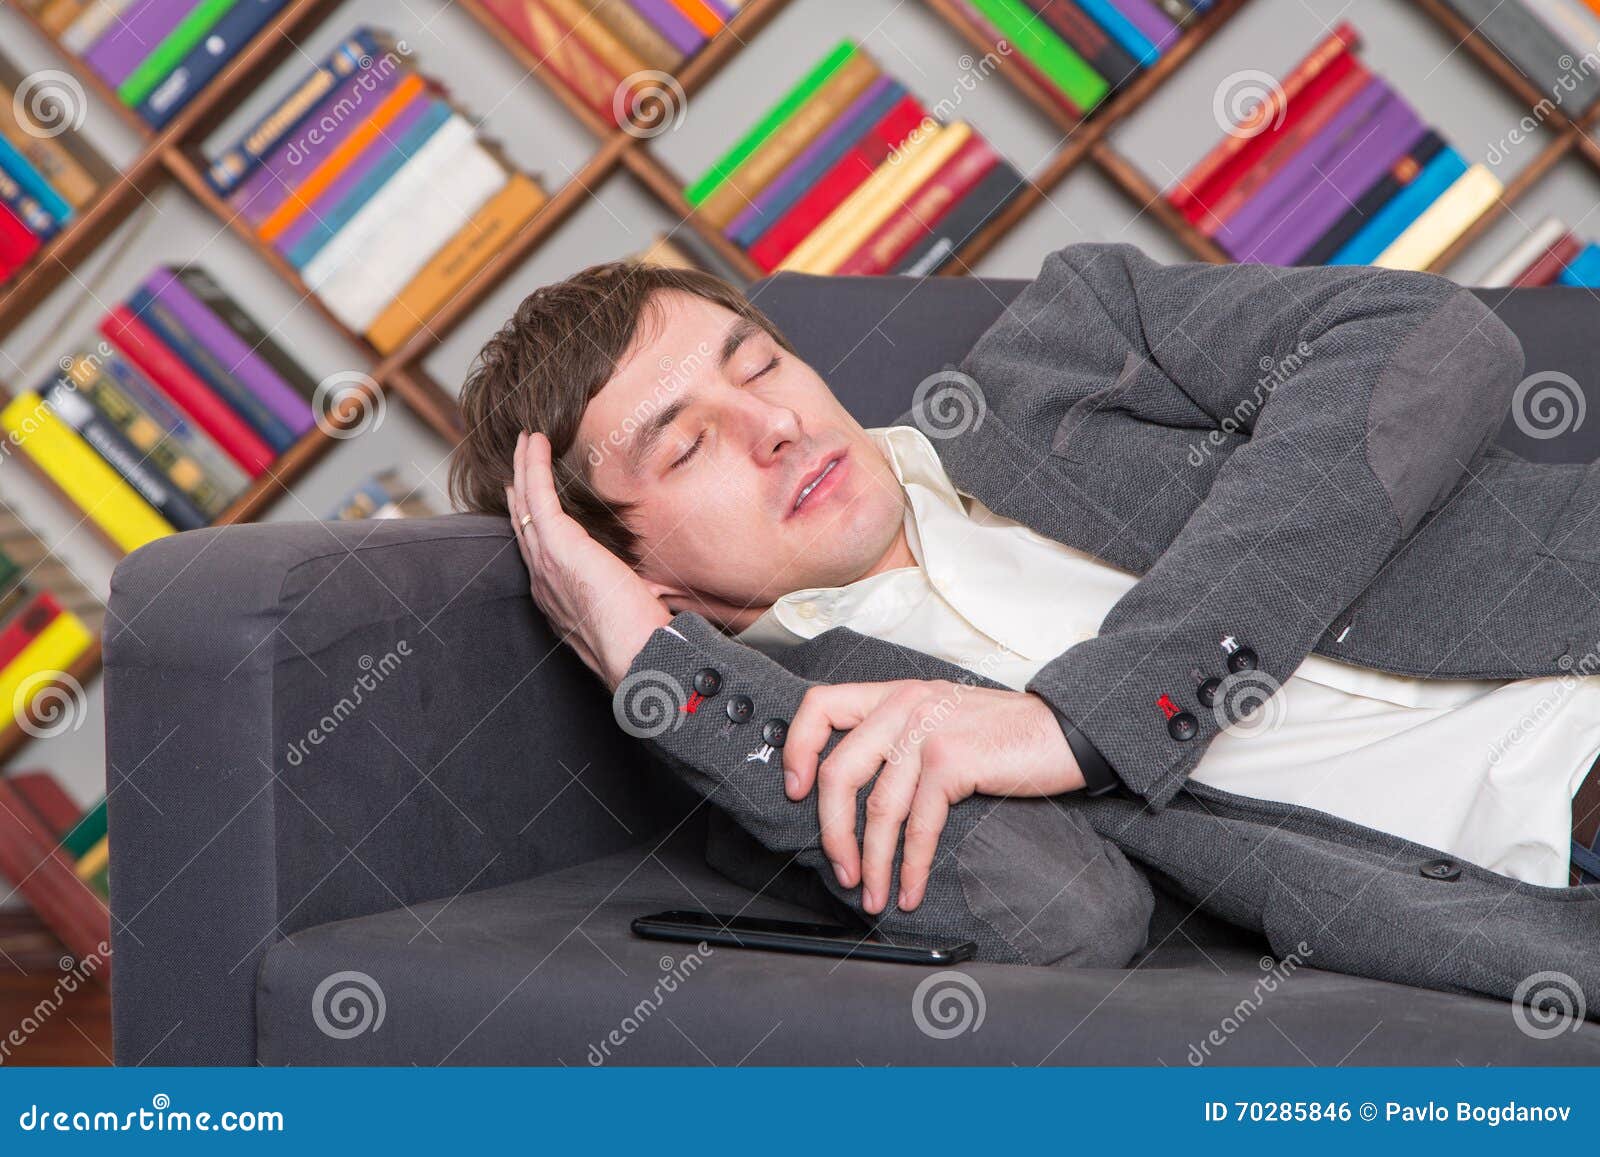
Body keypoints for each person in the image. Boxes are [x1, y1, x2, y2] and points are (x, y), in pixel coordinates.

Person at [449, 244, 1600, 1008]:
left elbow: (1430, 341)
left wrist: (1086, 720)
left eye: (758, 365)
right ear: (628, 568)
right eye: (688, 446)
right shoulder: (803, 744)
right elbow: (1063, 914)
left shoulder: (1067, 349)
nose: (772, 425)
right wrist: (656, 666)